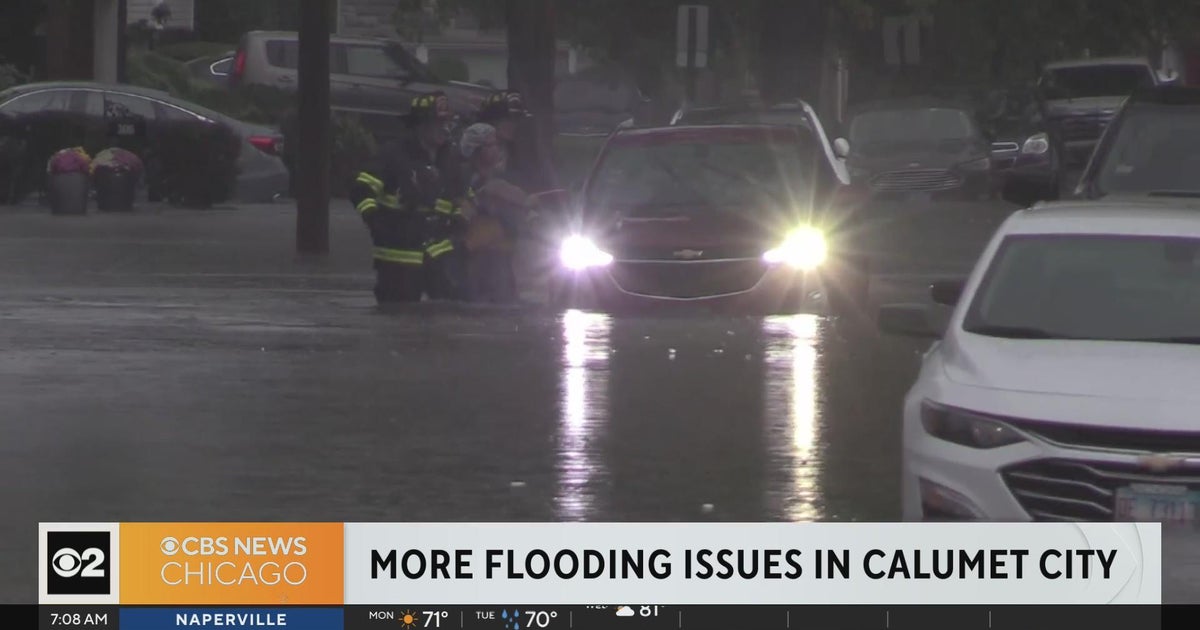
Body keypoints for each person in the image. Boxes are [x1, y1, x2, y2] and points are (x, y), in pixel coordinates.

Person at [348, 91, 469, 305]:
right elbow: (361, 189)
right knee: (399, 327)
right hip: (399, 262)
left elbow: (463, 197)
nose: (446, 128)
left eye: (448, 122)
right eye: (439, 122)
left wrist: (459, 221)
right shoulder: (393, 155)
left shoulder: (450, 160)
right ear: (421, 124)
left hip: (439, 261)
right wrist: (376, 222)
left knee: (446, 325)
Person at [459, 122, 541, 303]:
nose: (498, 149)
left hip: (503, 261)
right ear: (477, 150)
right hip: (479, 262)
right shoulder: (468, 180)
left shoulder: (501, 179)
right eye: (491, 145)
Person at [475, 91, 540, 191]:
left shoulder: (517, 151)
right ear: (492, 121)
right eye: (508, 120)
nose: (513, 125)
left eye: (516, 120)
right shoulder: (476, 152)